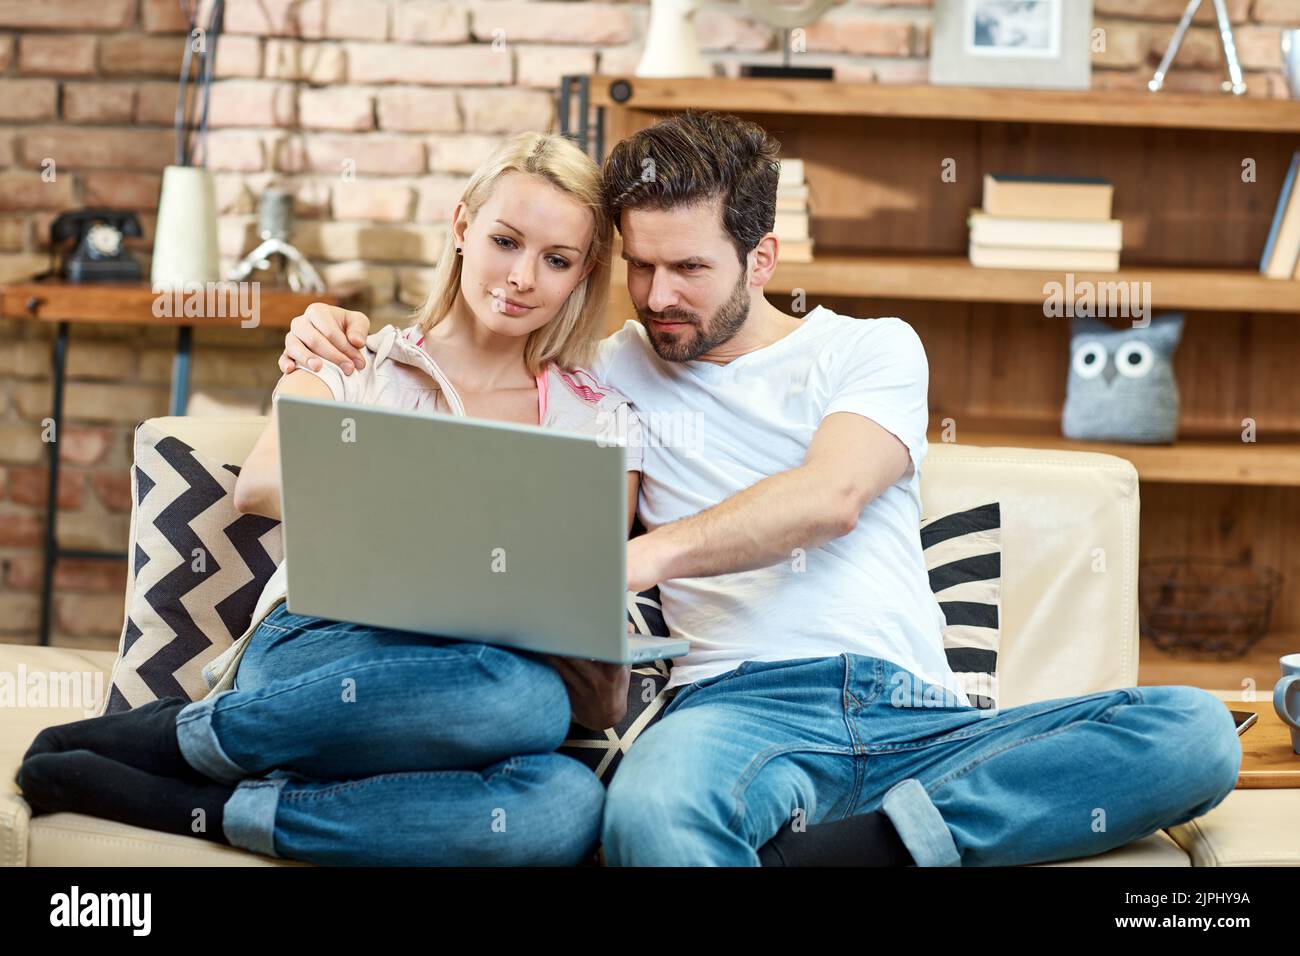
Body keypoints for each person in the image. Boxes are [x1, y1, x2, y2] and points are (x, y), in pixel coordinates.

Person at [278, 110, 1243, 867]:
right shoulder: (603, 374)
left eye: (690, 269)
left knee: (1193, 732)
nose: (659, 297)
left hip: (918, 714)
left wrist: (642, 555)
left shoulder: (870, 347)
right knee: (648, 818)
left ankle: (864, 849)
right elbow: (472, 361)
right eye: (641, 269)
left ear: (763, 258)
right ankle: (890, 844)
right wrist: (327, 332)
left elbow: (831, 497)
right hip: (733, 710)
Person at [17, 131, 645, 867]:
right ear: (462, 226)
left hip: (465, 696)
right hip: (318, 648)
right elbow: (261, 484)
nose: (522, 276)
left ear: (582, 274)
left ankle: (203, 798)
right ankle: (195, 735)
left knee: (563, 803)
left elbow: (592, 575)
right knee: (519, 701)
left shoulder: (599, 418)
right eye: (505, 241)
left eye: (557, 260)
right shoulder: (353, 361)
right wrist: (468, 506)